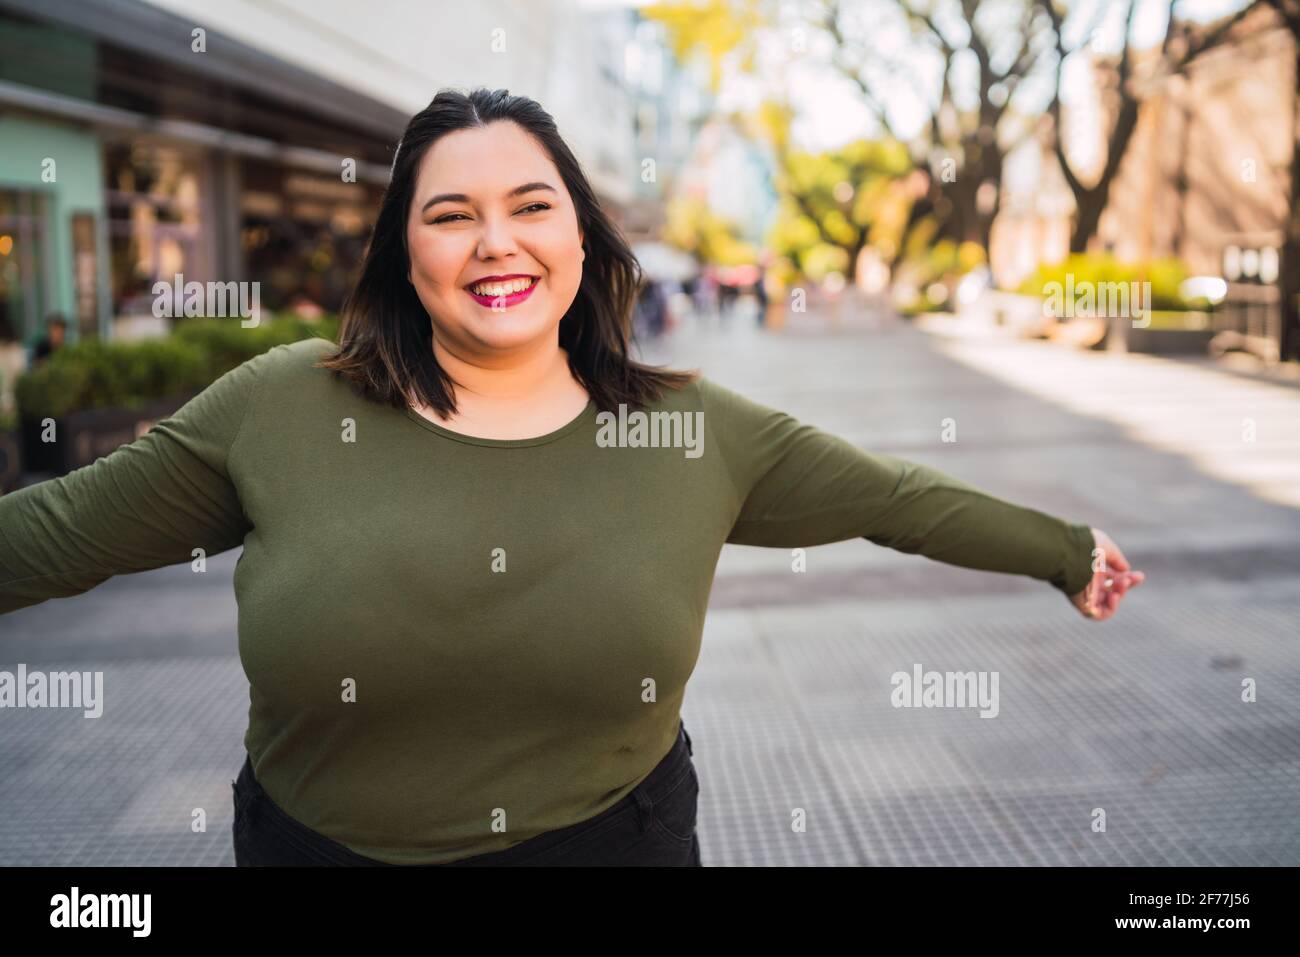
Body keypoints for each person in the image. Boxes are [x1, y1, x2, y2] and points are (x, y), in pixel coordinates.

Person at [0, 88, 1144, 868]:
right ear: (408, 252)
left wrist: (1059, 551)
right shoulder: (284, 407)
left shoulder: (692, 432)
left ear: (582, 239)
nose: (495, 241)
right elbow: (53, 534)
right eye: (451, 215)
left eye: (530, 206)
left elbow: (897, 499)